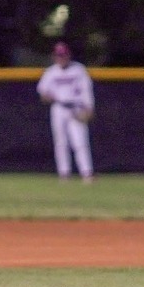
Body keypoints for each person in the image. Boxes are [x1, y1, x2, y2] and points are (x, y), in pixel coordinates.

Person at [36, 40, 95, 181]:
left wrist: (89, 108)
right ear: (54, 56)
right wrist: (48, 96)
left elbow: (87, 90)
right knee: (61, 142)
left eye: (63, 55)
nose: (61, 58)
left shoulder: (79, 70)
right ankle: (64, 173)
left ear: (68, 55)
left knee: (80, 141)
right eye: (58, 55)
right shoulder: (51, 72)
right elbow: (42, 91)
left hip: (76, 107)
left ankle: (87, 173)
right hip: (59, 108)